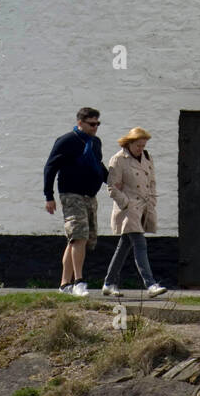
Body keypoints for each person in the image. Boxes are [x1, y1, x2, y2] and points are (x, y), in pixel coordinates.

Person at [43, 107, 108, 297]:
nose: (95, 127)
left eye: (98, 124)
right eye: (92, 124)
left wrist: (112, 181)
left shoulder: (95, 143)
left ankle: (64, 285)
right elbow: (50, 167)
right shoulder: (66, 141)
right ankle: (79, 281)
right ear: (80, 122)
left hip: (90, 195)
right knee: (79, 236)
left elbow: (98, 165)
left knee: (77, 240)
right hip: (71, 194)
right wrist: (49, 196)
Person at [102, 127, 167, 298]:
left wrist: (152, 200)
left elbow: (152, 181)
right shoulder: (118, 160)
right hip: (129, 210)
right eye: (138, 145)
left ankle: (109, 283)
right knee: (140, 243)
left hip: (144, 206)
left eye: (143, 145)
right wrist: (126, 203)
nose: (141, 149)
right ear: (129, 143)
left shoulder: (147, 157)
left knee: (124, 246)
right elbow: (112, 188)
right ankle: (151, 284)